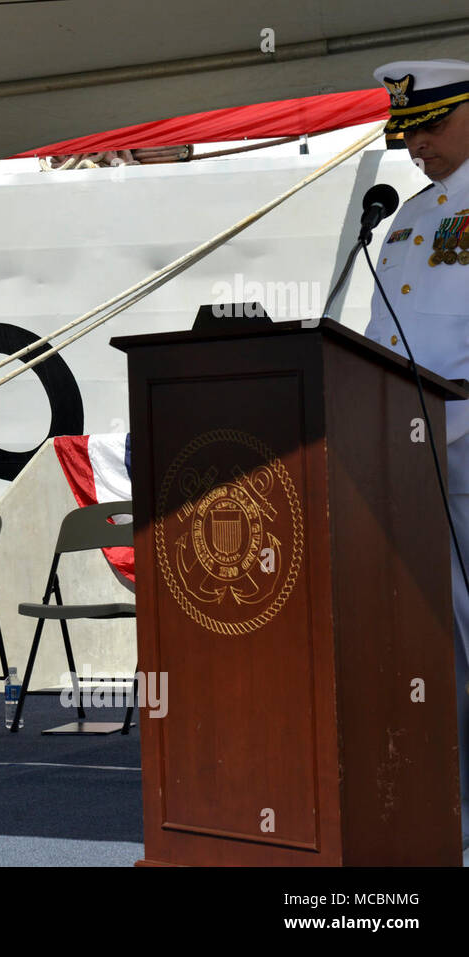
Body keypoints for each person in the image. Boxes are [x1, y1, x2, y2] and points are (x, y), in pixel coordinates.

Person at [362, 59, 469, 847]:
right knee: (436, 645)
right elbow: (373, 343)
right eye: (405, 131)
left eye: (428, 126)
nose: (413, 147)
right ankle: (451, 812)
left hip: (464, 448)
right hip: (409, 459)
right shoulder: (404, 220)